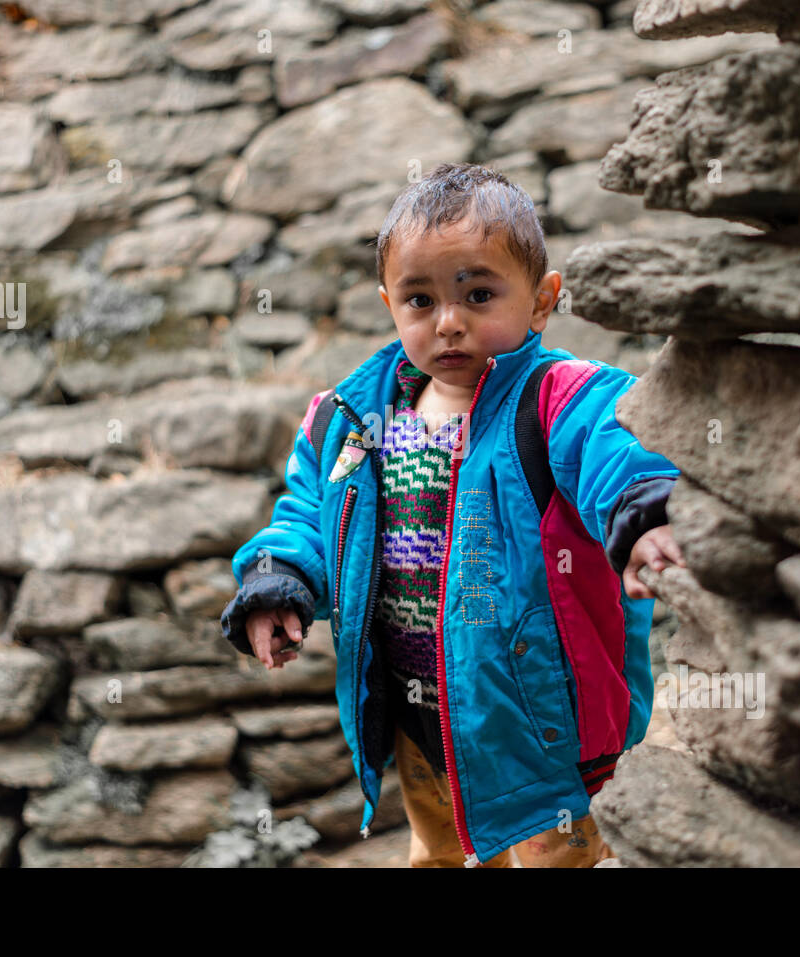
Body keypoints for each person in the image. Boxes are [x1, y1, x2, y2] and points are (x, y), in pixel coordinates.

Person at [221, 162, 685, 868]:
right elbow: (307, 515)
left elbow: (613, 448)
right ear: (389, 305)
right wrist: (276, 582)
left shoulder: (556, 398)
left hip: (536, 718)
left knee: (559, 856)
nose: (448, 322)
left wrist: (645, 515)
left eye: (478, 293)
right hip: (417, 714)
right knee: (437, 850)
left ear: (541, 301)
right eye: (419, 299)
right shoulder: (351, 420)